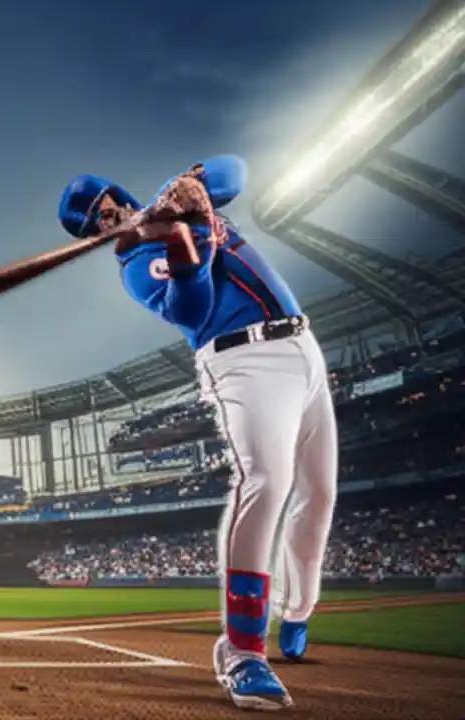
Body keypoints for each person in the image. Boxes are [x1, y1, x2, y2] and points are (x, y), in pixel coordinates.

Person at [58, 155, 337, 711]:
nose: (111, 215)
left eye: (110, 203)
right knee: (265, 482)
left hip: (305, 348)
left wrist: (193, 192)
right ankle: (241, 652)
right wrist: (194, 248)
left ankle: (298, 612)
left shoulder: (175, 196)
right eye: (99, 220)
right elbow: (195, 308)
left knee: (321, 493)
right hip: (244, 362)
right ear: (96, 235)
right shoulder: (138, 264)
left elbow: (234, 169)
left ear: (121, 193)